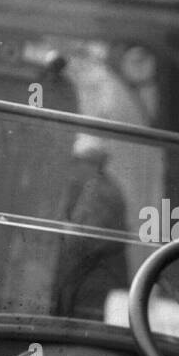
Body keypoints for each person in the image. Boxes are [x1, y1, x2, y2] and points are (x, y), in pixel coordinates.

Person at [53, 135, 129, 321]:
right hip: (87, 275)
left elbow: (87, 240)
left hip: (95, 277)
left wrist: (64, 230)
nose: (73, 168)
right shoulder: (89, 187)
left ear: (93, 164)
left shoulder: (102, 192)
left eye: (78, 162)